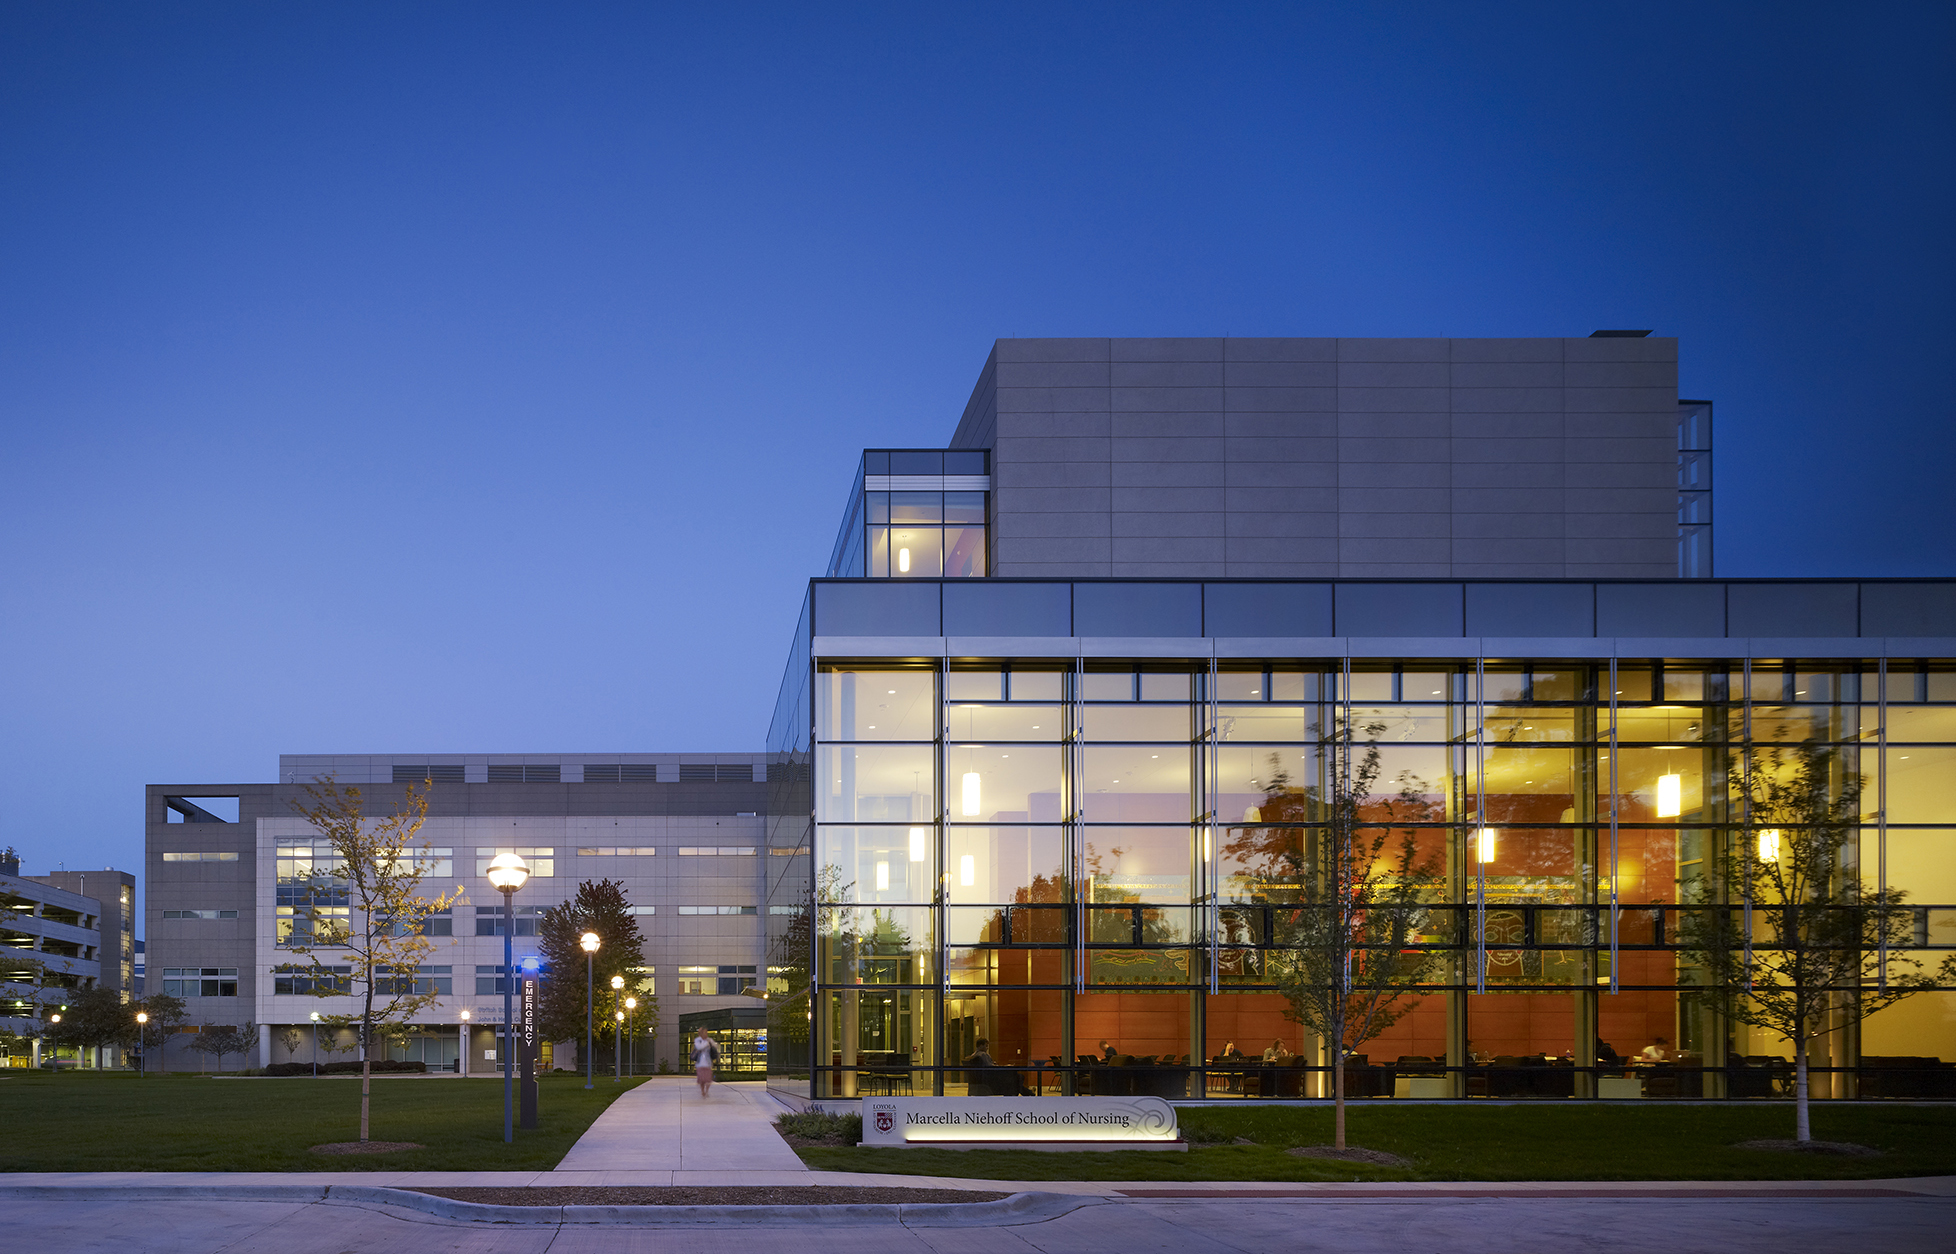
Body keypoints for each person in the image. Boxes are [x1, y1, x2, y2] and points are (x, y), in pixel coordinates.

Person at [691, 1031, 720, 1097]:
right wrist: (706, 1043)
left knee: (708, 1079)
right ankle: (702, 1091)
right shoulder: (698, 1040)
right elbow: (698, 1047)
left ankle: (706, 1091)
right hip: (700, 1063)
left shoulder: (709, 1040)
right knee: (701, 1080)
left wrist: (711, 1043)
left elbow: (715, 1046)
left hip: (708, 1063)